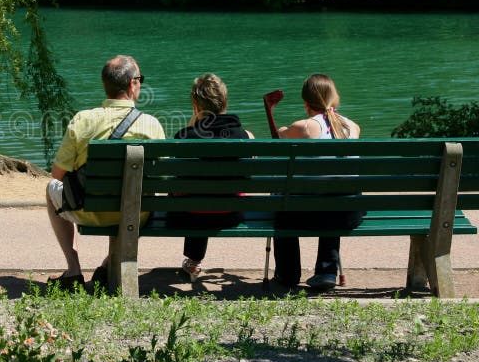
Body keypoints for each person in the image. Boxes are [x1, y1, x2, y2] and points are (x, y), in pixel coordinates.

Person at [46, 55, 165, 291]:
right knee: (141, 198)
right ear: (132, 84)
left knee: (50, 189)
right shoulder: (151, 125)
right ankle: (108, 265)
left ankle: (73, 269)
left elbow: (57, 175)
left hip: (87, 210)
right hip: (135, 216)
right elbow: (161, 180)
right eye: (140, 79)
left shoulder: (83, 120)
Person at [273, 73, 364, 290]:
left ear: (306, 102)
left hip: (303, 215)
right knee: (334, 194)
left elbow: (281, 135)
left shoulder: (303, 127)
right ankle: (326, 271)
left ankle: (287, 274)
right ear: (334, 97)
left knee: (282, 202)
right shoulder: (353, 127)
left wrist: (281, 128)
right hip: (347, 215)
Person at [171, 74, 254, 282]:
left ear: (196, 106)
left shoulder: (184, 137)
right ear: (225, 102)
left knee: (194, 193)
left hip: (189, 217)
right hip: (231, 214)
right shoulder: (244, 137)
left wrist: (194, 123)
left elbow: (178, 180)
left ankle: (192, 262)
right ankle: (193, 262)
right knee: (208, 190)